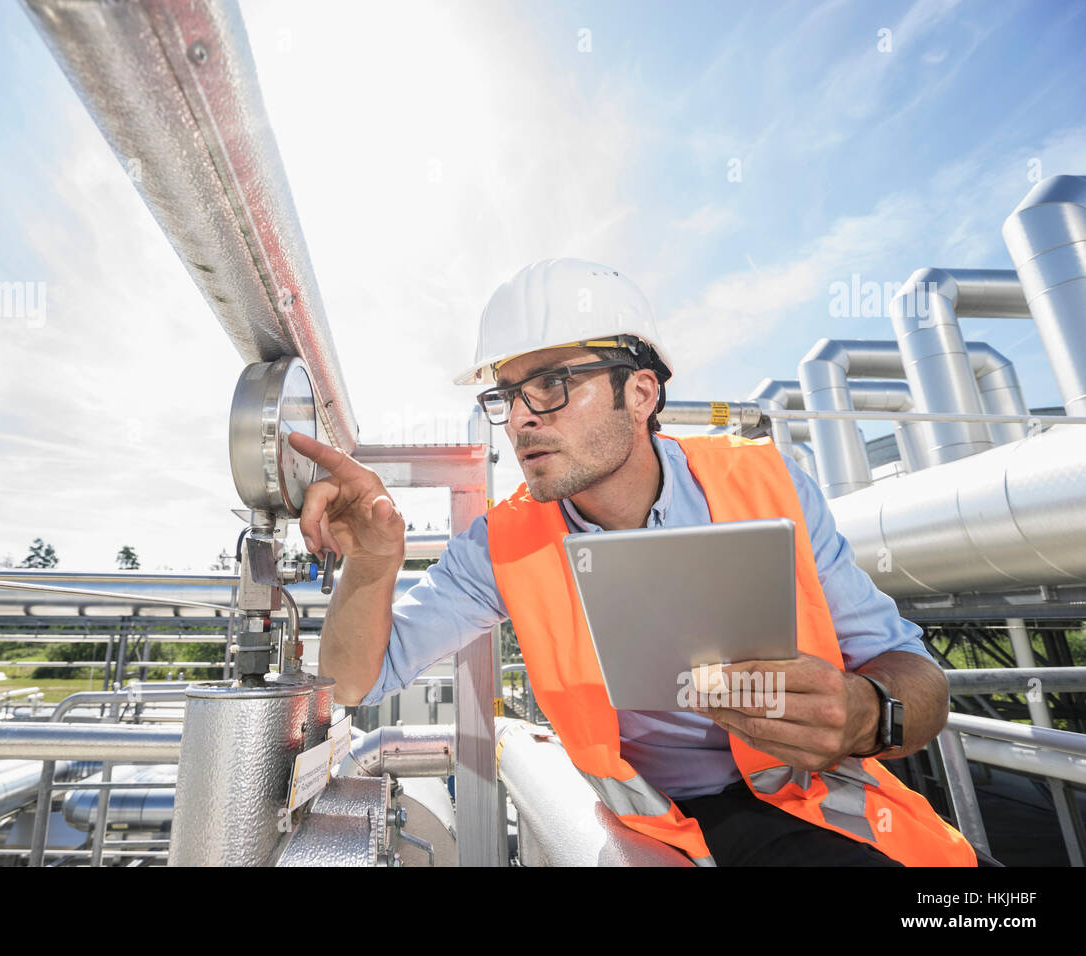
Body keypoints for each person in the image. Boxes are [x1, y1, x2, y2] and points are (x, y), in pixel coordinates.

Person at [288, 258, 983, 867]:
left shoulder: (767, 484)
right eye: (507, 395)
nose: (524, 418)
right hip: (658, 829)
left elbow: (916, 679)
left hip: (820, 805)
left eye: (554, 383)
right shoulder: (502, 544)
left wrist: (869, 713)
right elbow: (357, 681)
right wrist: (374, 566)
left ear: (642, 394)